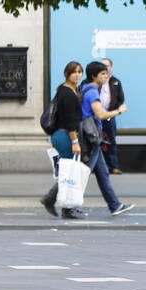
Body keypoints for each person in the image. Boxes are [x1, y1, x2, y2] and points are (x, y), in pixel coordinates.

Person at [78, 60, 133, 217]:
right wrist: (119, 111)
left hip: (92, 136)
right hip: (91, 138)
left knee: (102, 173)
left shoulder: (85, 88)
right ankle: (63, 201)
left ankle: (114, 205)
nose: (106, 75)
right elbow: (100, 115)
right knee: (82, 173)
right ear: (94, 76)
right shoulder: (93, 92)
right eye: (103, 74)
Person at [41, 61, 87, 220]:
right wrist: (75, 141)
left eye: (80, 72)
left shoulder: (71, 90)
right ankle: (55, 201)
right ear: (67, 74)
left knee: (69, 170)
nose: (77, 75)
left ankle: (63, 205)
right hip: (65, 135)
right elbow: (69, 120)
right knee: (69, 170)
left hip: (64, 134)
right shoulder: (66, 93)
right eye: (74, 72)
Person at [100, 57, 126, 174]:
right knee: (94, 141)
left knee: (111, 142)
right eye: (102, 65)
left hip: (110, 117)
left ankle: (113, 167)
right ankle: (96, 167)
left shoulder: (116, 82)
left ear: (111, 67)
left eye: (107, 65)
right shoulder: (94, 81)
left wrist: (114, 110)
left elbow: (121, 99)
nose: (105, 68)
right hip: (96, 117)